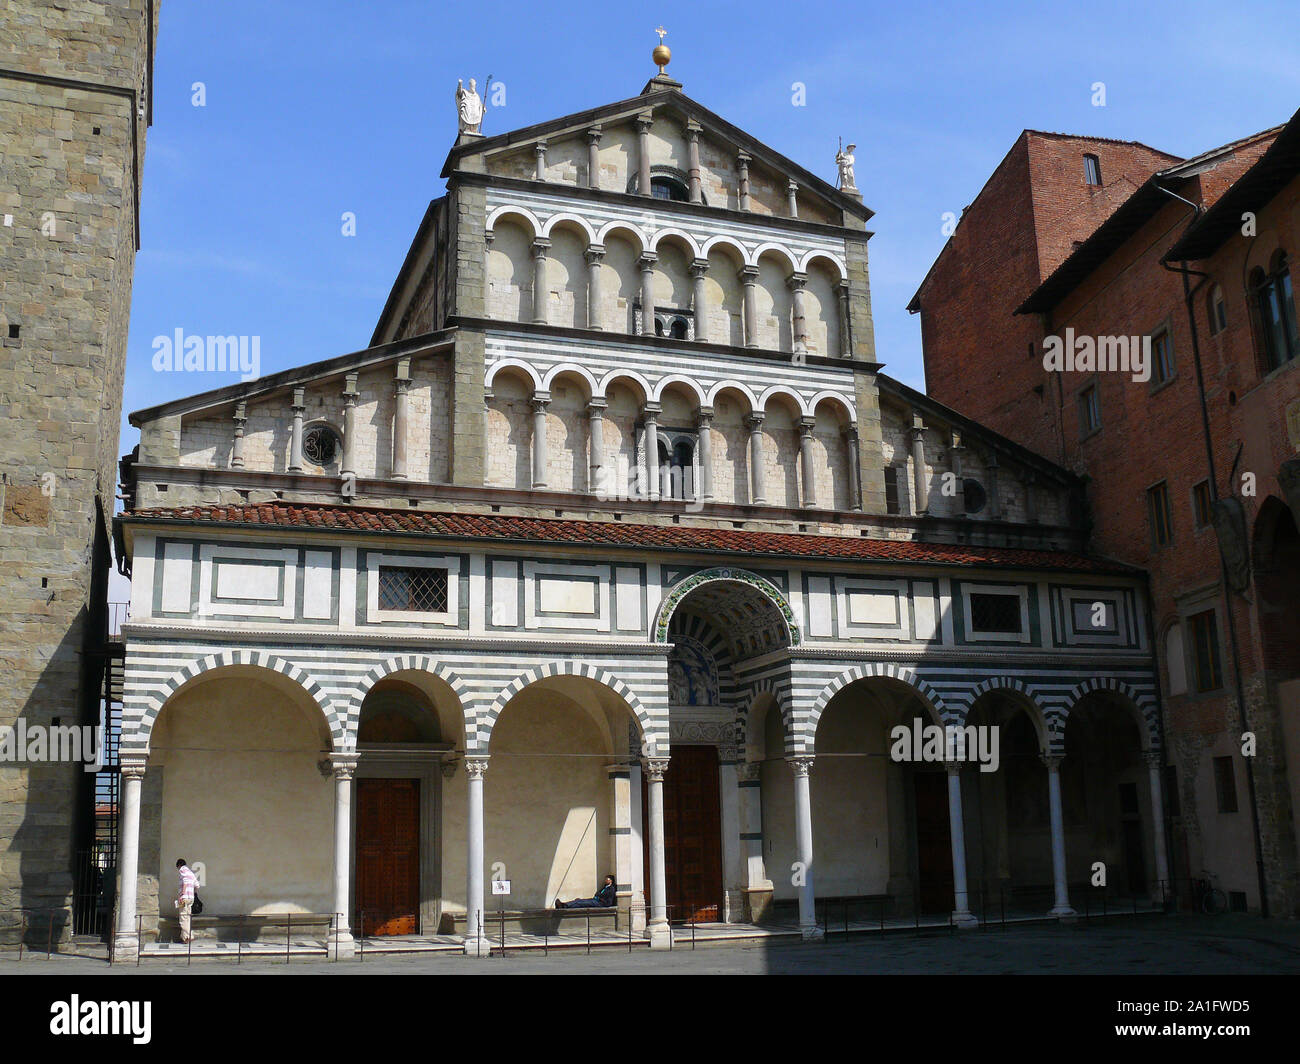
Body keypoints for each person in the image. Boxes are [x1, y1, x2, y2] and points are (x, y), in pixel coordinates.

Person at [175, 858, 199, 943]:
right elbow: (197, 885)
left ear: (179, 865)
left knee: (182, 918)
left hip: (184, 898)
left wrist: (182, 894)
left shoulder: (182, 870)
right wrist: (193, 892)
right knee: (188, 918)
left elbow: (185, 881)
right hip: (191, 898)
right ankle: (185, 938)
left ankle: (190, 935)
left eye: (177, 867)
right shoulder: (191, 873)